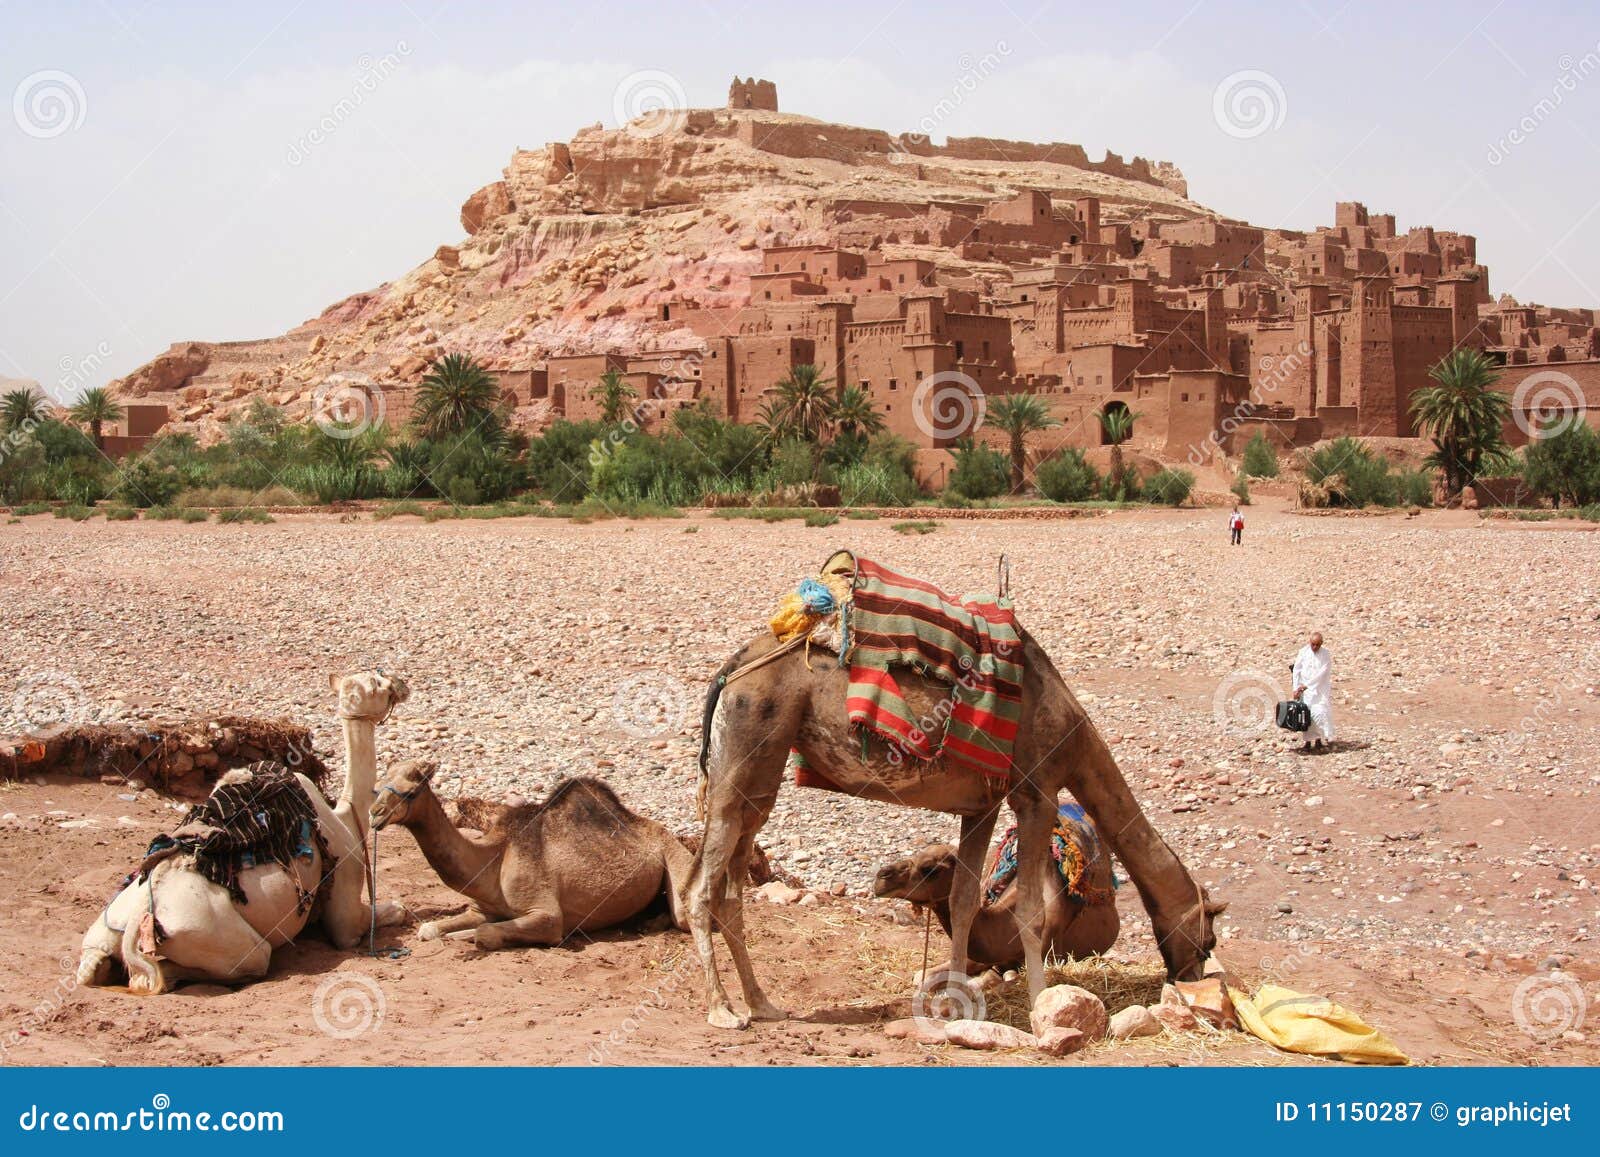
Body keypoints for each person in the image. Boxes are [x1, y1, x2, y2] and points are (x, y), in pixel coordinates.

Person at [1291, 632, 1335, 751]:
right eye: (1313, 644)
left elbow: (1322, 673)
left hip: (1319, 690)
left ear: (1321, 643)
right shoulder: (1303, 652)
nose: (1315, 647)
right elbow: (1297, 670)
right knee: (1306, 715)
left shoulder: (1325, 654)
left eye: (1317, 645)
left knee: (1320, 713)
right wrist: (1296, 688)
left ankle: (1319, 740)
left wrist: (1307, 685)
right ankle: (1307, 742)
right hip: (1305, 692)